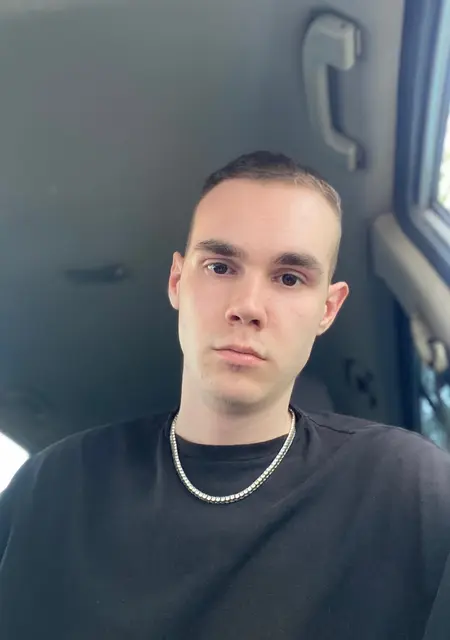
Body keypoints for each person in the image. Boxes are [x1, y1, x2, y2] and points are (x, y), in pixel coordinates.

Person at [1, 151, 449, 640]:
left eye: (289, 278)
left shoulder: (407, 489)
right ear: (177, 281)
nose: (247, 306)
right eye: (219, 267)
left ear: (328, 308)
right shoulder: (51, 487)